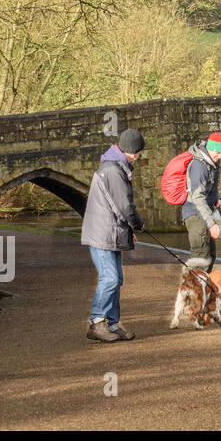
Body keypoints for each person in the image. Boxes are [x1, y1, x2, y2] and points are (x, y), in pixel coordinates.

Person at [81, 128, 146, 343]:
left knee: (116, 280)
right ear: (132, 151)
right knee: (109, 279)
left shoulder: (115, 167)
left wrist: (129, 230)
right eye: (139, 152)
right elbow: (125, 206)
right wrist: (137, 224)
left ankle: (112, 323)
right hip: (102, 234)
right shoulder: (113, 170)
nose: (139, 157)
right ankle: (96, 322)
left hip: (111, 232)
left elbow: (118, 206)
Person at [180, 131, 221, 272]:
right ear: (211, 148)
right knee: (201, 258)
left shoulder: (213, 161)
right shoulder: (198, 166)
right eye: (218, 153)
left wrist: (218, 198)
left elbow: (212, 185)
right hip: (194, 213)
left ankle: (204, 290)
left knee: (211, 256)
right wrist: (212, 223)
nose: (220, 157)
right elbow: (197, 197)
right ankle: (195, 291)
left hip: (204, 211)